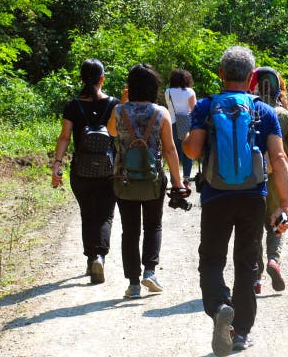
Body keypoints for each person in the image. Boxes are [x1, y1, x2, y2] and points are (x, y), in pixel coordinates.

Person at [183, 46, 288, 356]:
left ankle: (220, 306)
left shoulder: (206, 107)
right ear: (252, 78)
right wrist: (285, 203)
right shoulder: (264, 111)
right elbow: (279, 158)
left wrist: (186, 134)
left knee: (212, 260)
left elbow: (192, 152)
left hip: (216, 196)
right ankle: (241, 332)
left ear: (221, 74)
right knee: (247, 263)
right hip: (253, 198)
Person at [106, 63, 188, 299]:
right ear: (153, 87)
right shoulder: (160, 113)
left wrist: (122, 102)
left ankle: (133, 284)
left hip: (124, 179)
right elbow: (171, 151)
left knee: (129, 231)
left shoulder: (119, 111)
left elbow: (111, 132)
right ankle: (149, 271)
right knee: (153, 225)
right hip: (153, 180)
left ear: (130, 87)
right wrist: (178, 182)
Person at [51, 58, 119, 284]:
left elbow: (64, 137)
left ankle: (91, 258)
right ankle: (100, 255)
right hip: (108, 170)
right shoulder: (114, 104)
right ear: (102, 79)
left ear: (81, 79)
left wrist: (57, 165)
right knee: (105, 215)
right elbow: (118, 135)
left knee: (87, 214)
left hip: (81, 170)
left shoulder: (72, 106)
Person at [251, 67, 288, 294]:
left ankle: (255, 278)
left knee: (253, 229)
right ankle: (273, 260)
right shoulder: (283, 114)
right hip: (277, 177)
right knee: (277, 222)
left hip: (252, 176)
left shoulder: (248, 109)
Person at [164, 68, 196, 182]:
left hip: (171, 123)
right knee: (187, 151)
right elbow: (193, 110)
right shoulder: (190, 92)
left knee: (174, 151)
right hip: (186, 123)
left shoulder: (168, 92)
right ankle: (186, 177)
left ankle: (174, 179)